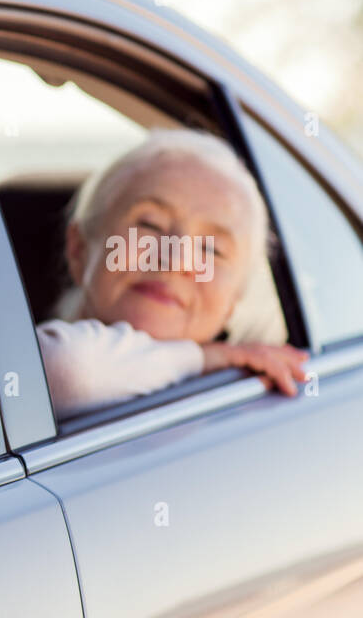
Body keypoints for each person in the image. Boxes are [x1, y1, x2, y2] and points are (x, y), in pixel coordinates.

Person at [38, 128, 309, 420]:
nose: (175, 260)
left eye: (211, 249)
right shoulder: (20, 359)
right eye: (150, 225)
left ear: (234, 300)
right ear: (78, 249)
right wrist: (201, 359)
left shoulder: (240, 413)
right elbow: (65, 368)